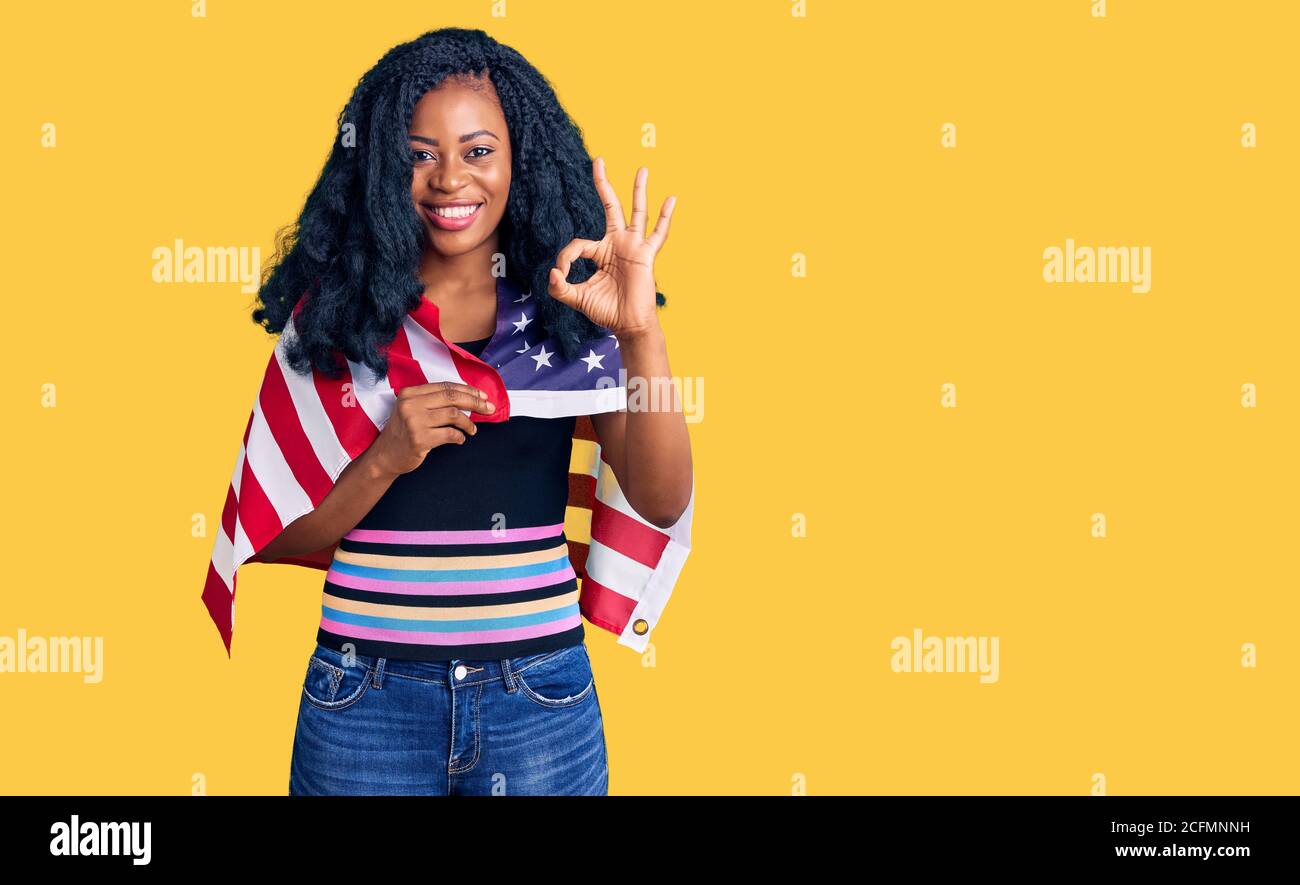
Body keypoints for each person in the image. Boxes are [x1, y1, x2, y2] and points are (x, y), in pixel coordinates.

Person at [242, 28, 693, 795]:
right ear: (385, 164)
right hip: (363, 699)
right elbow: (274, 533)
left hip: (539, 698)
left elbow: (661, 498)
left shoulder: (569, 313)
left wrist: (640, 329)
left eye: (478, 150)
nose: (450, 178)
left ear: (520, 158)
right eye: (420, 153)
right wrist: (385, 455)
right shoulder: (336, 319)